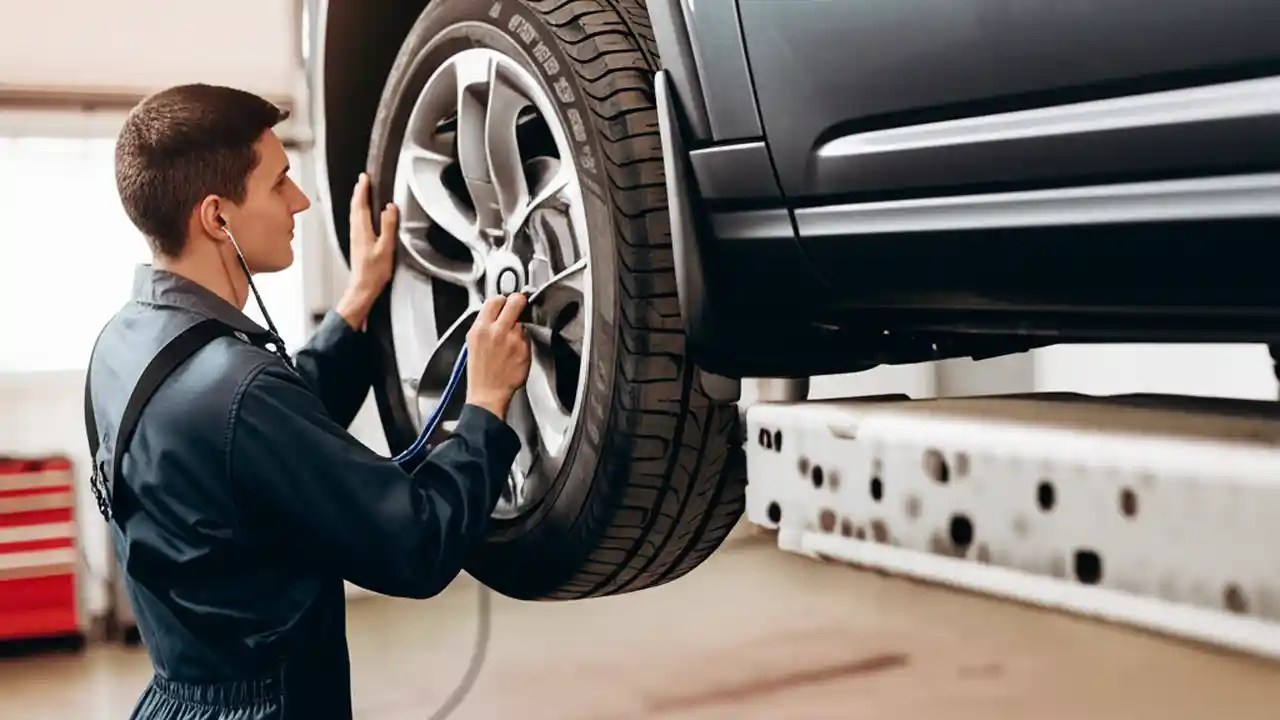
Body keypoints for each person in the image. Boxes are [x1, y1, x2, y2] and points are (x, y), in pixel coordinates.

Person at [84, 83, 530, 719]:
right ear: (217, 217)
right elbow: (417, 543)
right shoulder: (240, 391)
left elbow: (254, 449)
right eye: (278, 182)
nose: (301, 200)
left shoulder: (122, 343)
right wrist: (485, 404)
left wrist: (357, 301)